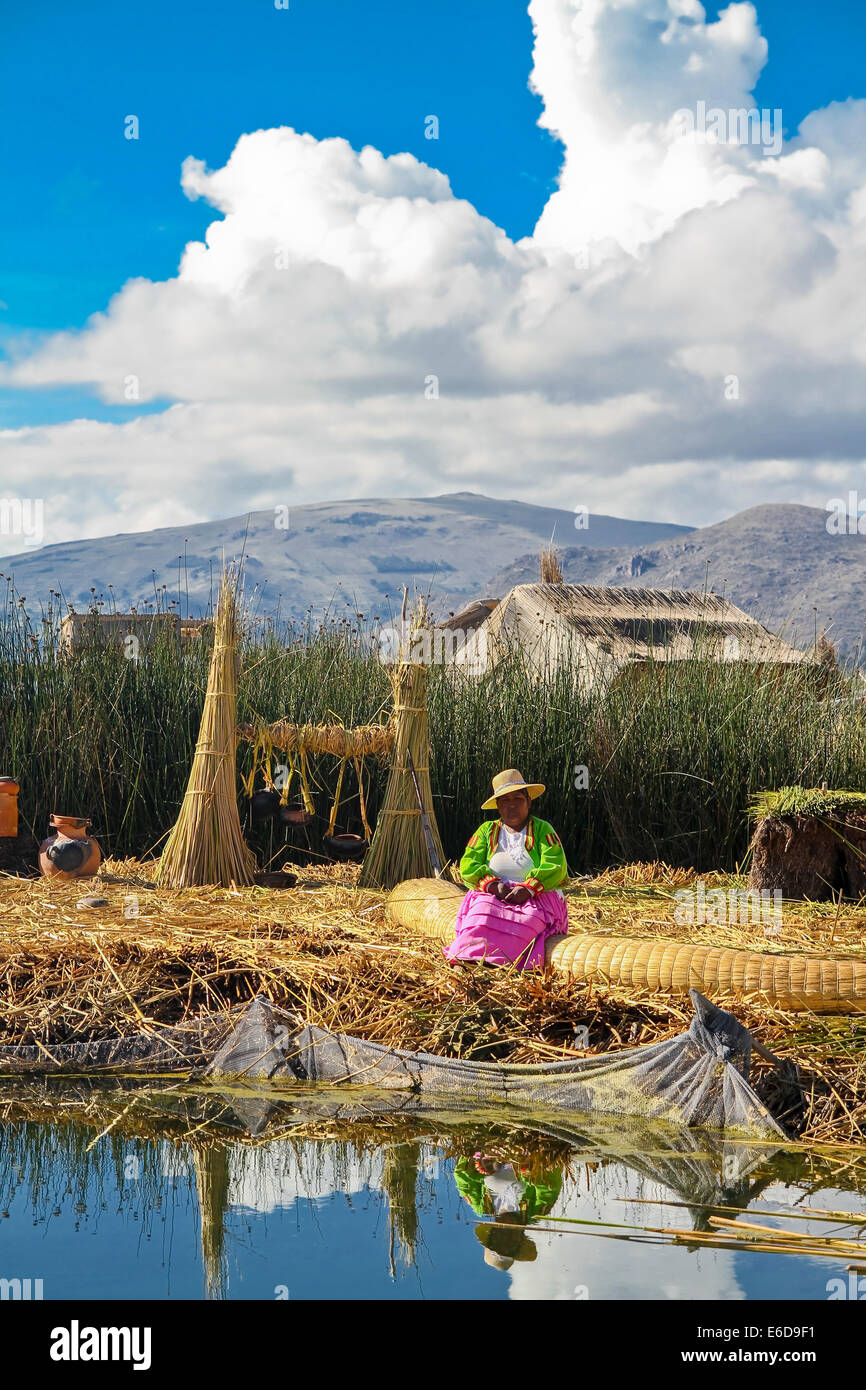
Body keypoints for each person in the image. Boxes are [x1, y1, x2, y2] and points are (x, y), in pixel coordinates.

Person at [444, 768, 568, 970]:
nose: (511, 805)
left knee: (527, 922)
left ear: (529, 802)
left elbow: (555, 864)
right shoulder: (487, 831)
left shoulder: (543, 829)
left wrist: (528, 889)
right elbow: (469, 863)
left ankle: (496, 965)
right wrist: (493, 887)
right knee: (481, 914)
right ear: (498, 807)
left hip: (536, 897)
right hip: (492, 894)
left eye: (518, 799)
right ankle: (466, 959)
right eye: (504, 800)